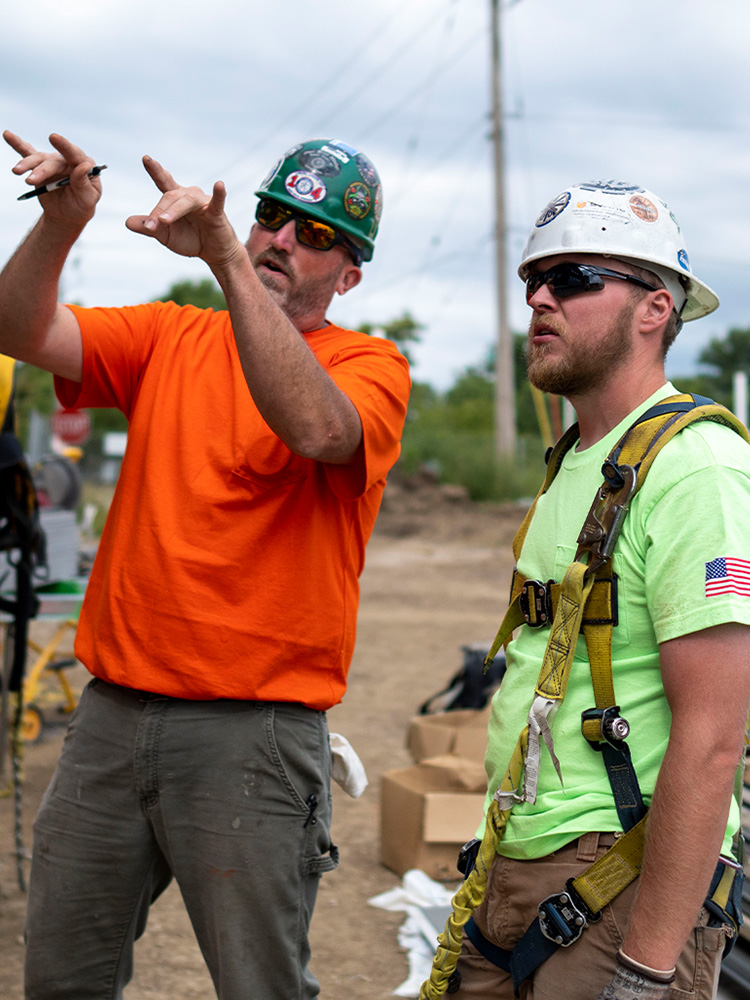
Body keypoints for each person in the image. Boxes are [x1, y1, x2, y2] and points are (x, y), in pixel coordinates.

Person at [0, 130, 410, 1000]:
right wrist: (62, 225)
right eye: (270, 217)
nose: (279, 239)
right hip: (110, 720)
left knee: (260, 987)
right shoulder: (168, 340)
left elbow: (319, 431)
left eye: (313, 233)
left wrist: (225, 257)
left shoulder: (370, 366)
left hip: (251, 736)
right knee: (60, 977)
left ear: (350, 275)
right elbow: (17, 329)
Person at [422, 180, 750, 1000]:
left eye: (572, 277)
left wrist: (645, 974)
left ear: (654, 308)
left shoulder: (696, 469)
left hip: (619, 874)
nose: (538, 296)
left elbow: (713, 740)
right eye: (535, 278)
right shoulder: (575, 458)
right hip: (515, 854)